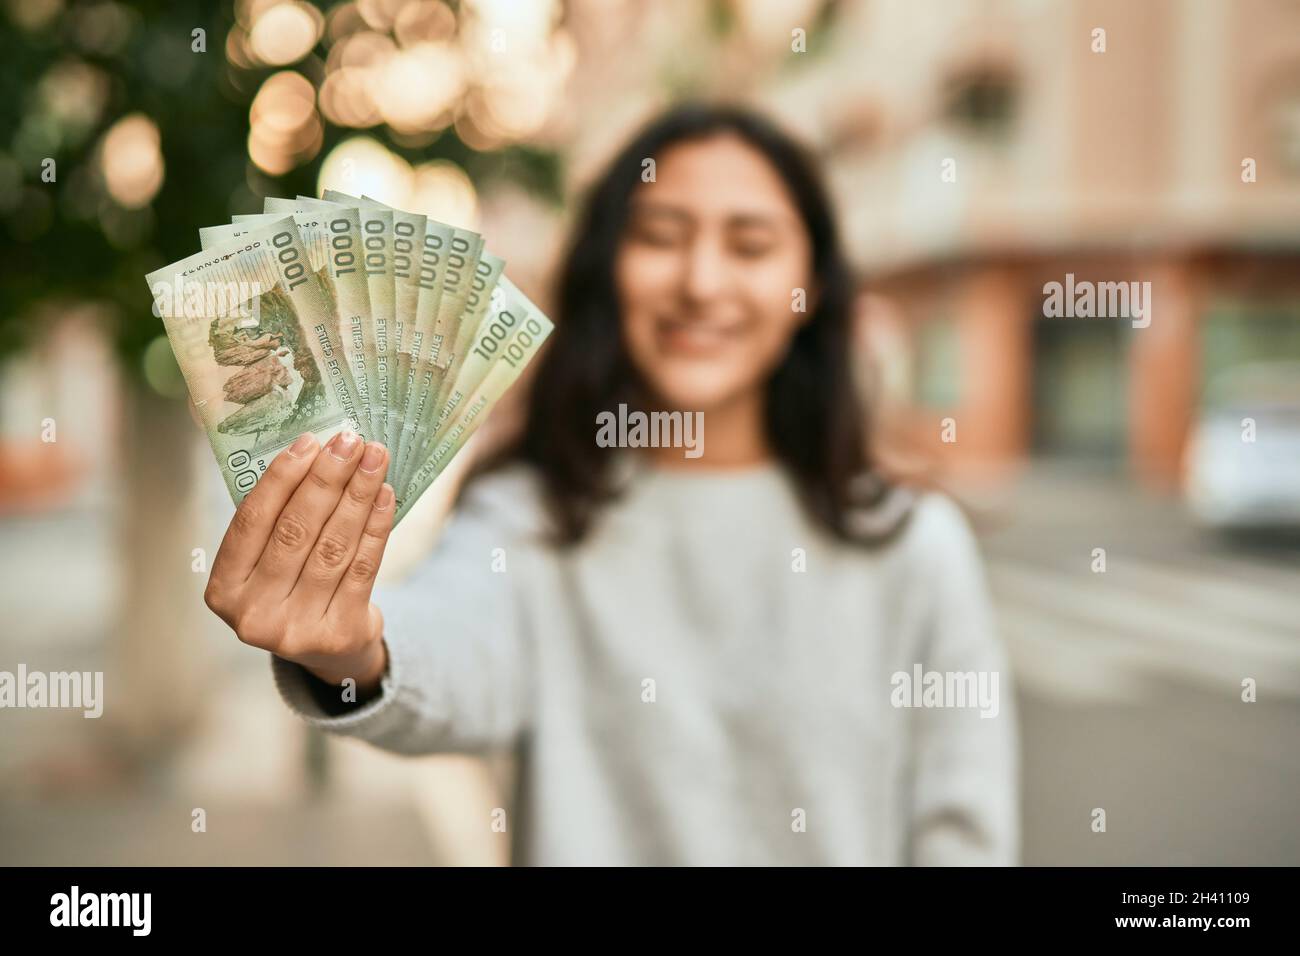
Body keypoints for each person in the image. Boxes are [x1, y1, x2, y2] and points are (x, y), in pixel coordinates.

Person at [202, 103, 1019, 866]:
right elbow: (448, 647)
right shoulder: (534, 515)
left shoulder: (916, 547)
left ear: (812, 288)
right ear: (608, 271)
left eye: (750, 245)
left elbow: (964, 831)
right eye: (661, 236)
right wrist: (351, 652)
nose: (702, 282)